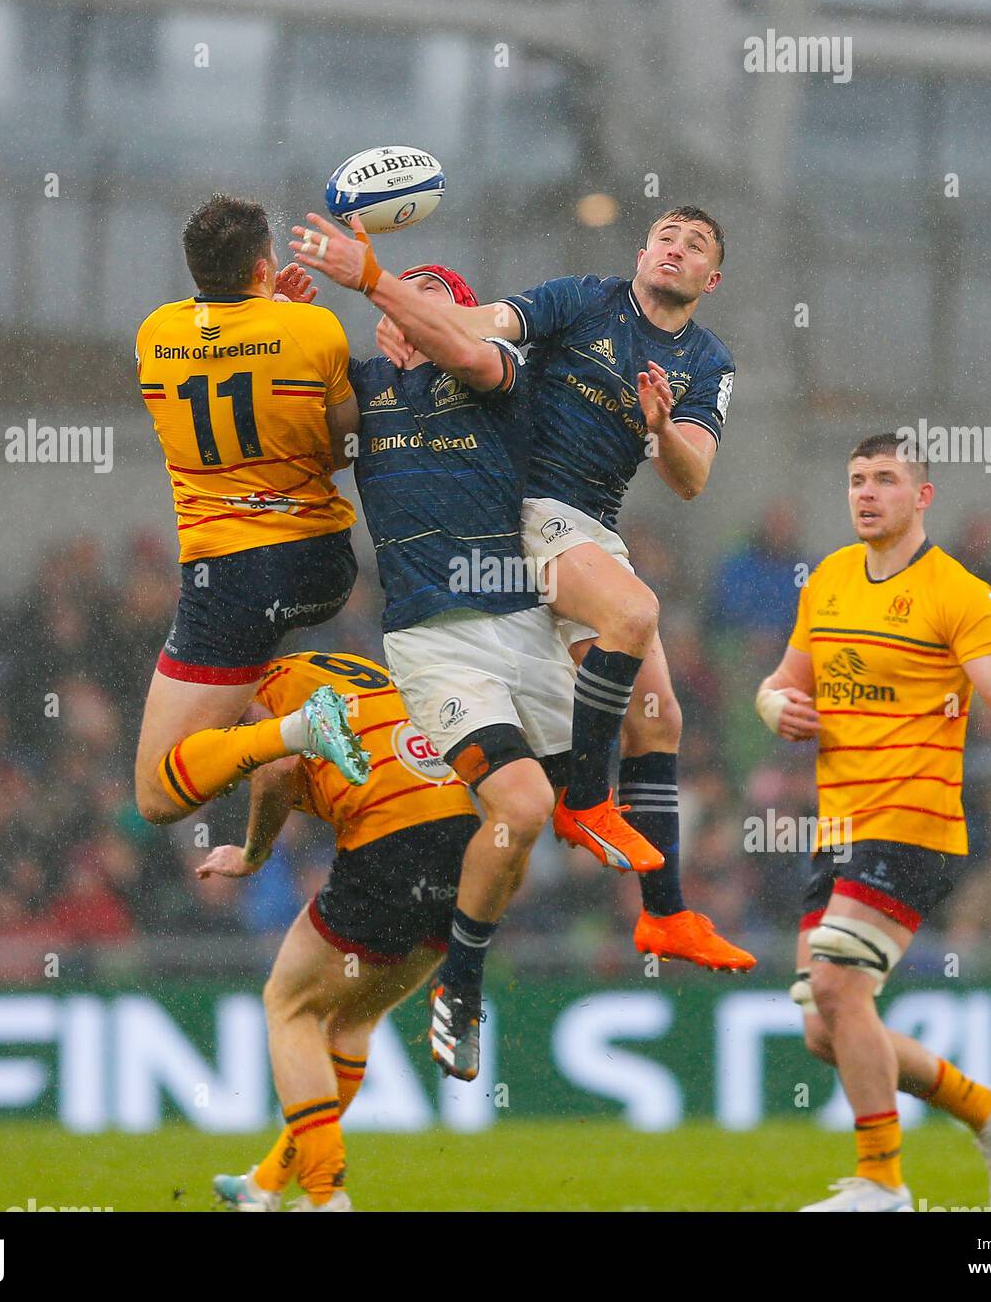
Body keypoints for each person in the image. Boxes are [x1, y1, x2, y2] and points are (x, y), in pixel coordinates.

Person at [289, 212, 686, 1081]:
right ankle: (463, 985)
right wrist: (282, 329)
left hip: (523, 625)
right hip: (438, 640)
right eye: (403, 305)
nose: (411, 317)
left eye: (437, 303)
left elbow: (466, 351)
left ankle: (653, 903)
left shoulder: (505, 377)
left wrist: (374, 277)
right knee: (522, 807)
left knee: (617, 754)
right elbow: (309, 434)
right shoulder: (363, 387)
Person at [371, 207, 754, 971]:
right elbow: (486, 320)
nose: (676, 248)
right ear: (643, 252)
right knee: (636, 611)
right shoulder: (586, 298)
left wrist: (662, 427)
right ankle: (585, 797)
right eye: (667, 236)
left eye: (696, 244)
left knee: (661, 715)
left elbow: (692, 478)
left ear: (711, 279)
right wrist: (399, 302)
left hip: (592, 526)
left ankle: (665, 914)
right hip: (526, 510)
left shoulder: (710, 361)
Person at [755, 432, 991, 1212]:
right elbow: (784, 682)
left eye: (885, 479)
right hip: (837, 828)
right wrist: (772, 705)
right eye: (856, 479)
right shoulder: (829, 578)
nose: (866, 493)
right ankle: (990, 1108)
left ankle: (883, 1181)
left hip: (913, 822)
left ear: (923, 496)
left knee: (836, 987)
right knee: (826, 1024)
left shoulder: (956, 591)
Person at [200, 650, 479, 1212]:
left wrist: (253, 855)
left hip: (391, 843)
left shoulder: (257, 689)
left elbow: (277, 767)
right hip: (464, 845)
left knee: (289, 1003)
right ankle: (266, 1187)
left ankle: (326, 1196)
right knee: (352, 1021)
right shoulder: (349, 667)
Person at [132, 194, 367, 827]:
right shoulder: (312, 331)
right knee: (243, 709)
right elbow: (345, 449)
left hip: (232, 574)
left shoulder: (155, 334)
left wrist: (270, 311)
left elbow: (226, 351)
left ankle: (301, 728)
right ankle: (285, 728)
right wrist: (287, 314)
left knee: (156, 794)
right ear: (264, 267)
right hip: (321, 564)